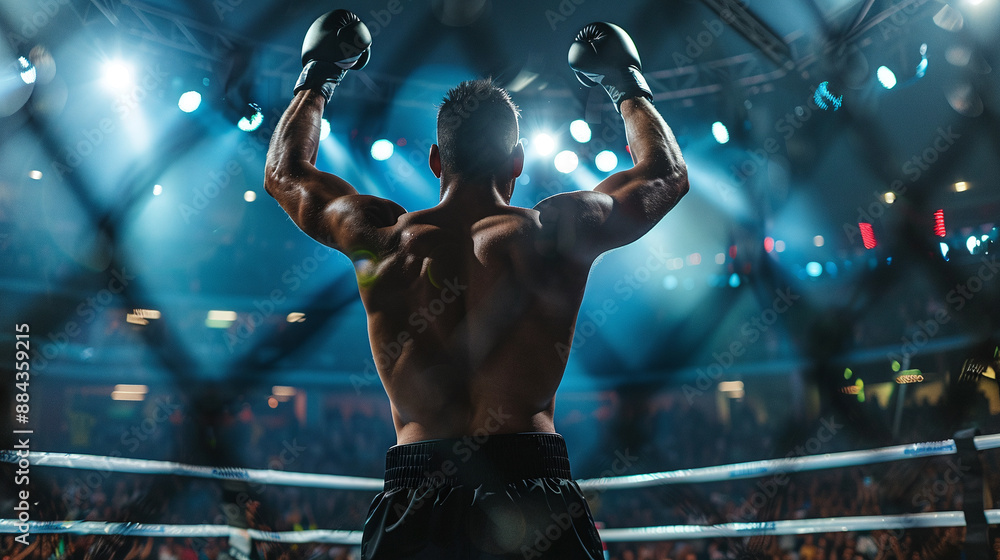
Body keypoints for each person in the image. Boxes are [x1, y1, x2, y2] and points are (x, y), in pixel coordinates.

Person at [265, 9, 688, 559]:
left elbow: (286, 174)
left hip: (417, 499)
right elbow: (664, 174)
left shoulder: (384, 240)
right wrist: (625, 85)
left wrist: (317, 78)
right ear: (517, 161)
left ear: (435, 161)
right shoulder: (553, 234)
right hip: (532, 492)